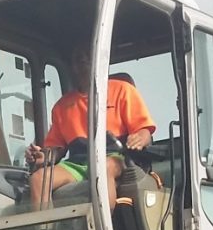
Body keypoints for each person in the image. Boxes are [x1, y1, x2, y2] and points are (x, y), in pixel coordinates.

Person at [25, 44, 155, 209]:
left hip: (116, 157)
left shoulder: (123, 90)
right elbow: (55, 150)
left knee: (103, 167)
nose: (84, 60)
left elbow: (145, 132)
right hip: (78, 162)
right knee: (38, 180)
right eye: (79, 58)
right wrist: (42, 157)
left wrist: (140, 138)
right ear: (73, 66)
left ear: (99, 59)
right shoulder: (61, 107)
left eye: (89, 55)